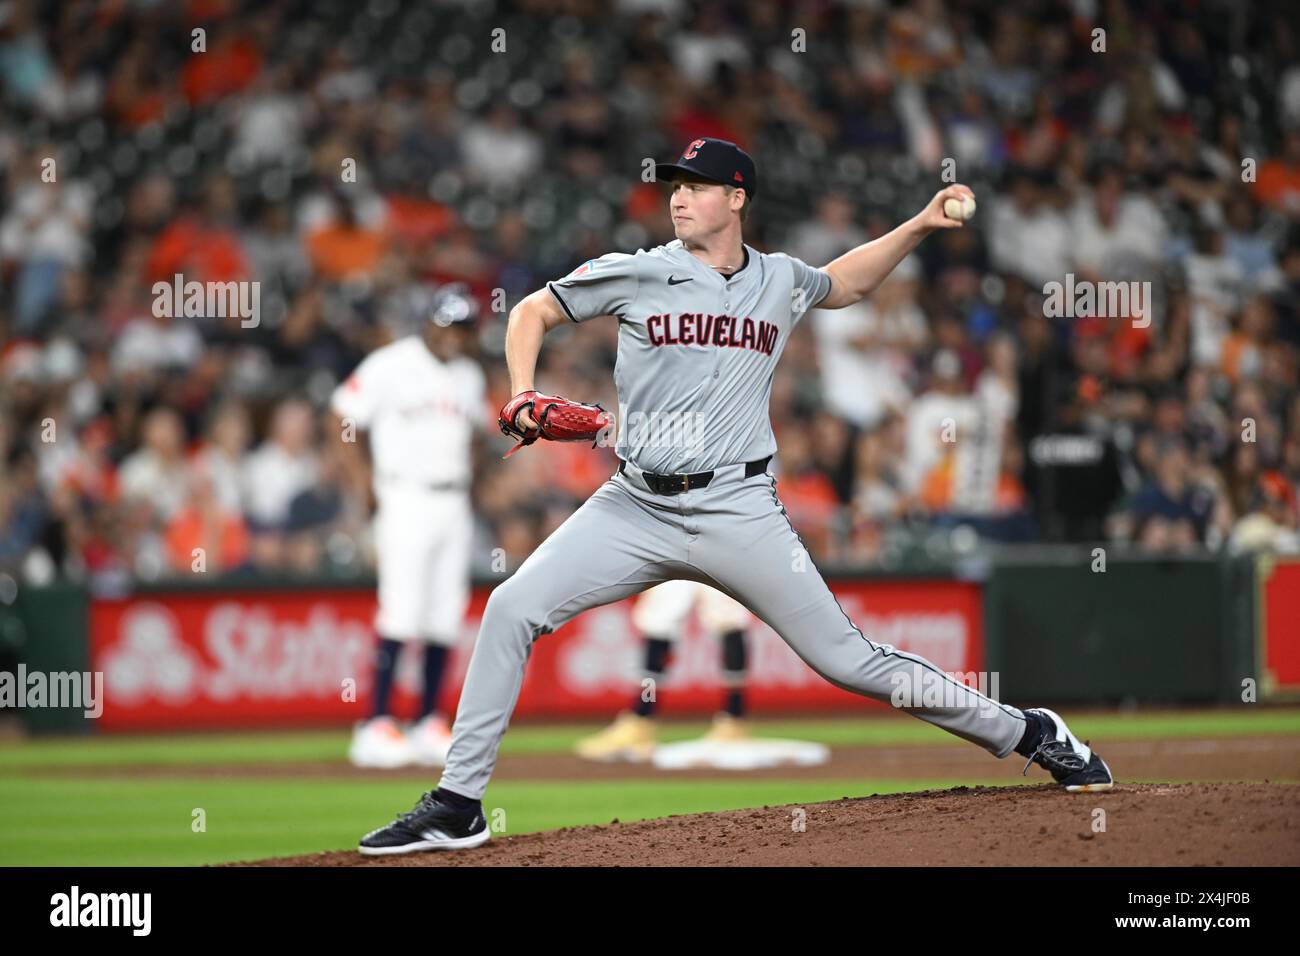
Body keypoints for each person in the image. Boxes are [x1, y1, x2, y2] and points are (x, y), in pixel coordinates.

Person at [358, 138, 1113, 855]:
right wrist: (523, 391)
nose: (678, 198)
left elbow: (846, 283)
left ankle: (1029, 732)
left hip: (738, 507)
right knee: (510, 608)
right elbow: (533, 310)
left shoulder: (779, 279)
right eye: (675, 186)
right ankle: (458, 803)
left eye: (696, 187)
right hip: (635, 505)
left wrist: (918, 223)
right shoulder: (640, 271)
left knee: (850, 661)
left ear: (737, 197)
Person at [331, 284, 485, 768]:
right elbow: (342, 416)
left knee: (444, 614)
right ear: (428, 322)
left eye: (463, 329)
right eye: (447, 326)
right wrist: (362, 482)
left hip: (453, 498)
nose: (454, 337)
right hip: (404, 494)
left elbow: (477, 435)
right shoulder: (391, 363)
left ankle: (427, 720)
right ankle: (375, 723)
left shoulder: (469, 375)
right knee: (401, 610)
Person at [573, 580, 753, 762]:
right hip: (679, 562)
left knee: (730, 619)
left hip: (720, 560)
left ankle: (734, 718)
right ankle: (642, 719)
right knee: (659, 621)